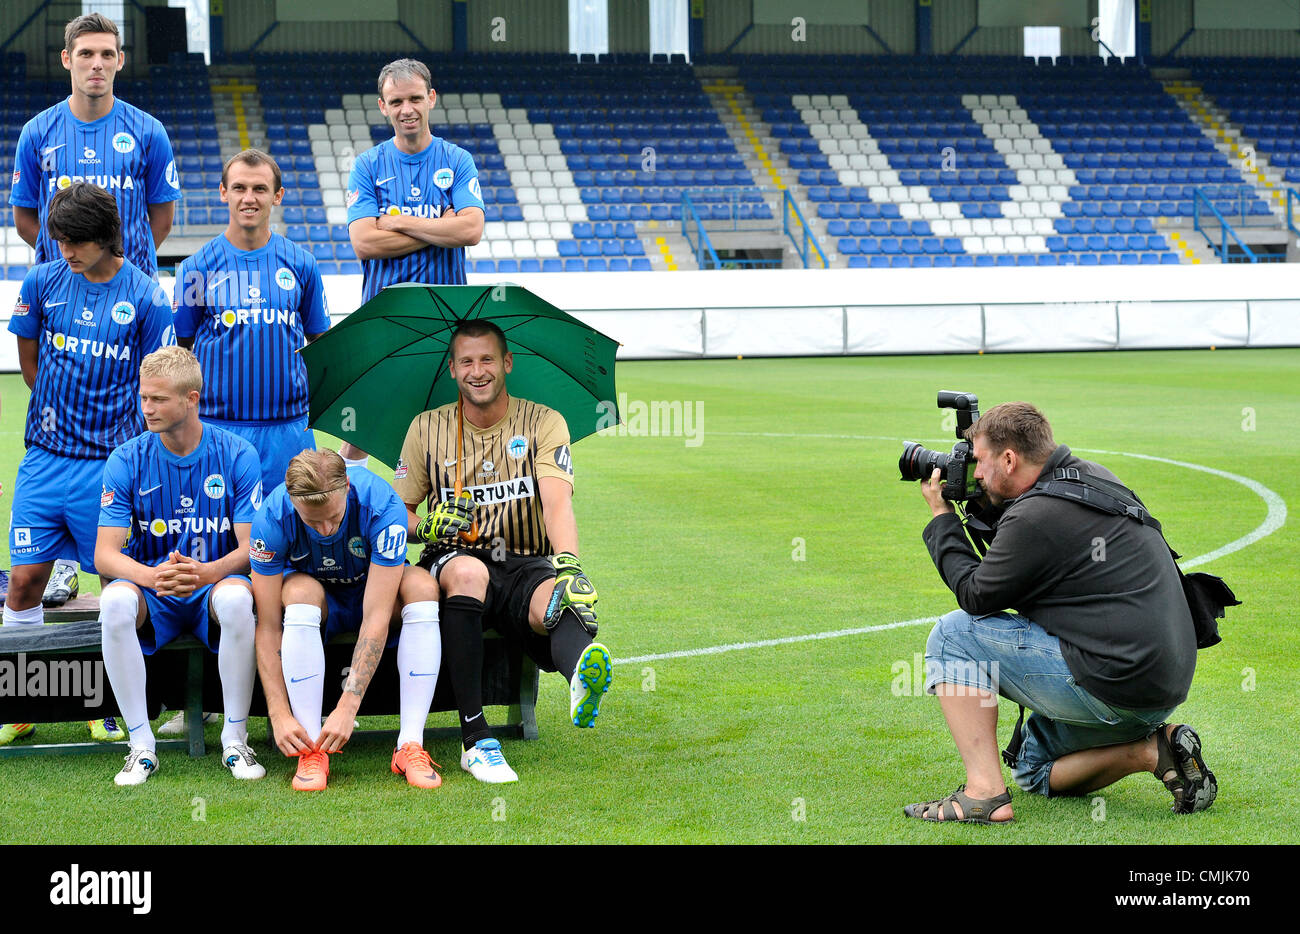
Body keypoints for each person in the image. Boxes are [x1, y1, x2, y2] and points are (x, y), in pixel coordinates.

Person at [904, 402, 1213, 823]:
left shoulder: (1036, 516)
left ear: (1009, 459)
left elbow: (977, 595)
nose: (973, 474)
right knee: (1033, 770)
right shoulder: (1092, 477)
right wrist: (983, 506)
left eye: (978, 461)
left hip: (1112, 682)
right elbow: (1031, 553)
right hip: (1158, 690)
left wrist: (942, 516)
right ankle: (1152, 750)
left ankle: (984, 795)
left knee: (952, 636)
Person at [8, 11, 181, 609]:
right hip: (64, 294)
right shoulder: (38, 134)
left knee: (133, 410)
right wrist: (67, 257)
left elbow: (159, 218)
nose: (97, 65)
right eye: (86, 54)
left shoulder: (148, 132)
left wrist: (121, 264)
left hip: (124, 295)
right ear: (67, 60)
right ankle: (56, 566)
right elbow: (27, 216)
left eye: (108, 54)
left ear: (120, 60)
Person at [393, 319, 612, 784]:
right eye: (467, 361)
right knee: (470, 573)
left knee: (556, 596)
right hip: (453, 560)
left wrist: (569, 563)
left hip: (523, 558)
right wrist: (425, 524)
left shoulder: (545, 422)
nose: (478, 371)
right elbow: (399, 517)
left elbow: (557, 503)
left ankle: (580, 679)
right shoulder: (425, 427)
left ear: (506, 363)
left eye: (487, 359)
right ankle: (474, 739)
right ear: (452, 369)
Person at [1, 183, 172, 747]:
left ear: (105, 236)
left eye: (76, 242)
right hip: (45, 461)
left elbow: (156, 383)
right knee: (25, 580)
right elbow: (29, 362)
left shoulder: (147, 297)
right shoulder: (42, 281)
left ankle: (101, 705)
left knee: (111, 586)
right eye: (60, 240)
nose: (66, 251)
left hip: (110, 464)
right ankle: (21, 704)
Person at [95, 346, 265, 785]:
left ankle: (235, 738)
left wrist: (208, 573)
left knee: (234, 600)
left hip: (215, 582)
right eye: (144, 397)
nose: (146, 408)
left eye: (159, 399)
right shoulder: (126, 458)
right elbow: (105, 555)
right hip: (154, 587)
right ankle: (140, 746)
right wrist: (151, 576)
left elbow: (253, 546)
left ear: (191, 399)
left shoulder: (237, 453)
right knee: (113, 605)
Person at [251, 450, 443, 791]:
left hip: (373, 592)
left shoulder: (384, 507)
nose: (325, 529)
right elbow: (267, 627)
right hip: (317, 597)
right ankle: (310, 750)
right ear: (293, 500)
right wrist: (279, 713)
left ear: (348, 487)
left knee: (423, 587)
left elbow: (376, 616)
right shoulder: (271, 517)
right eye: (312, 522)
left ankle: (410, 745)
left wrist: (347, 706)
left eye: (334, 517)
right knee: (297, 595)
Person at [338, 58, 486, 470]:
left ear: (431, 99)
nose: (408, 109)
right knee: (363, 428)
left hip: (447, 319)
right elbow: (365, 241)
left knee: (451, 425)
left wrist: (401, 221)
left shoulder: (457, 160)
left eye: (415, 98)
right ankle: (348, 511)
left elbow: (471, 229)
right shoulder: (368, 165)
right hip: (384, 319)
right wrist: (440, 225)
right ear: (383, 106)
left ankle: (450, 522)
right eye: (397, 100)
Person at [173, 149, 329, 491]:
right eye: (239, 187)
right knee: (220, 537)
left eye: (259, 189)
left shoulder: (302, 264)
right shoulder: (195, 269)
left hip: (289, 431)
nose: (249, 198)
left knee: (291, 534)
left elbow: (321, 346)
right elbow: (182, 352)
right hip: (217, 429)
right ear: (223, 192)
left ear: (277, 196)